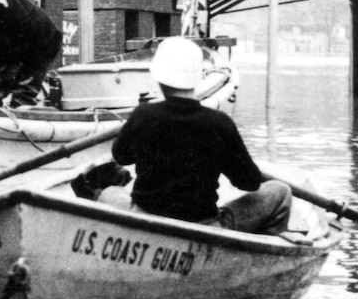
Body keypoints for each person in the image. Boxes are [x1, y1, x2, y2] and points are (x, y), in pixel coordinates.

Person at [110, 36, 292, 235]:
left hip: (145, 218)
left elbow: (121, 156)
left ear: (159, 77)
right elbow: (248, 182)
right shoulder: (220, 123)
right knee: (280, 191)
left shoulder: (143, 115)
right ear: (198, 77)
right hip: (202, 226)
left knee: (109, 193)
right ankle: (263, 249)